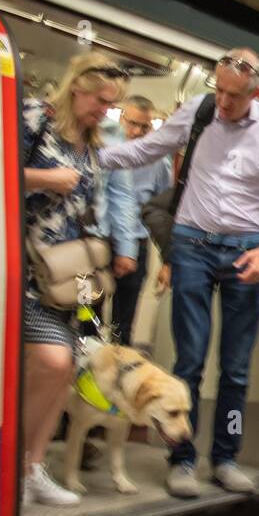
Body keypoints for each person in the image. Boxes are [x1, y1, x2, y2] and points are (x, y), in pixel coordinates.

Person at [99, 48, 259, 497]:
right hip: (192, 246)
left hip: (247, 251)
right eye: (219, 90)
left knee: (236, 368)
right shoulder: (199, 111)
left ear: (255, 92)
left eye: (234, 96)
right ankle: (182, 461)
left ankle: (226, 458)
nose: (223, 103)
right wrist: (92, 157)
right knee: (188, 361)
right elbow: (149, 148)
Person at [20, 52, 128, 506]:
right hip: (31, 269)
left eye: (111, 104)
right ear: (77, 86)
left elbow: (101, 203)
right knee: (53, 362)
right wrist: (46, 178)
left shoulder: (96, 145)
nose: (104, 110)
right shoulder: (33, 118)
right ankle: (13, 465)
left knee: (72, 367)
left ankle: (33, 468)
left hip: (79, 275)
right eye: (100, 100)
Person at [102, 96, 174, 347]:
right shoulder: (106, 150)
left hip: (137, 246)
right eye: (131, 123)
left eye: (144, 126)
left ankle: (119, 374)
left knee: (123, 322)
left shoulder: (159, 163)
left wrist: (168, 261)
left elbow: (166, 211)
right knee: (89, 314)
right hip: (102, 242)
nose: (136, 132)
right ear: (121, 118)